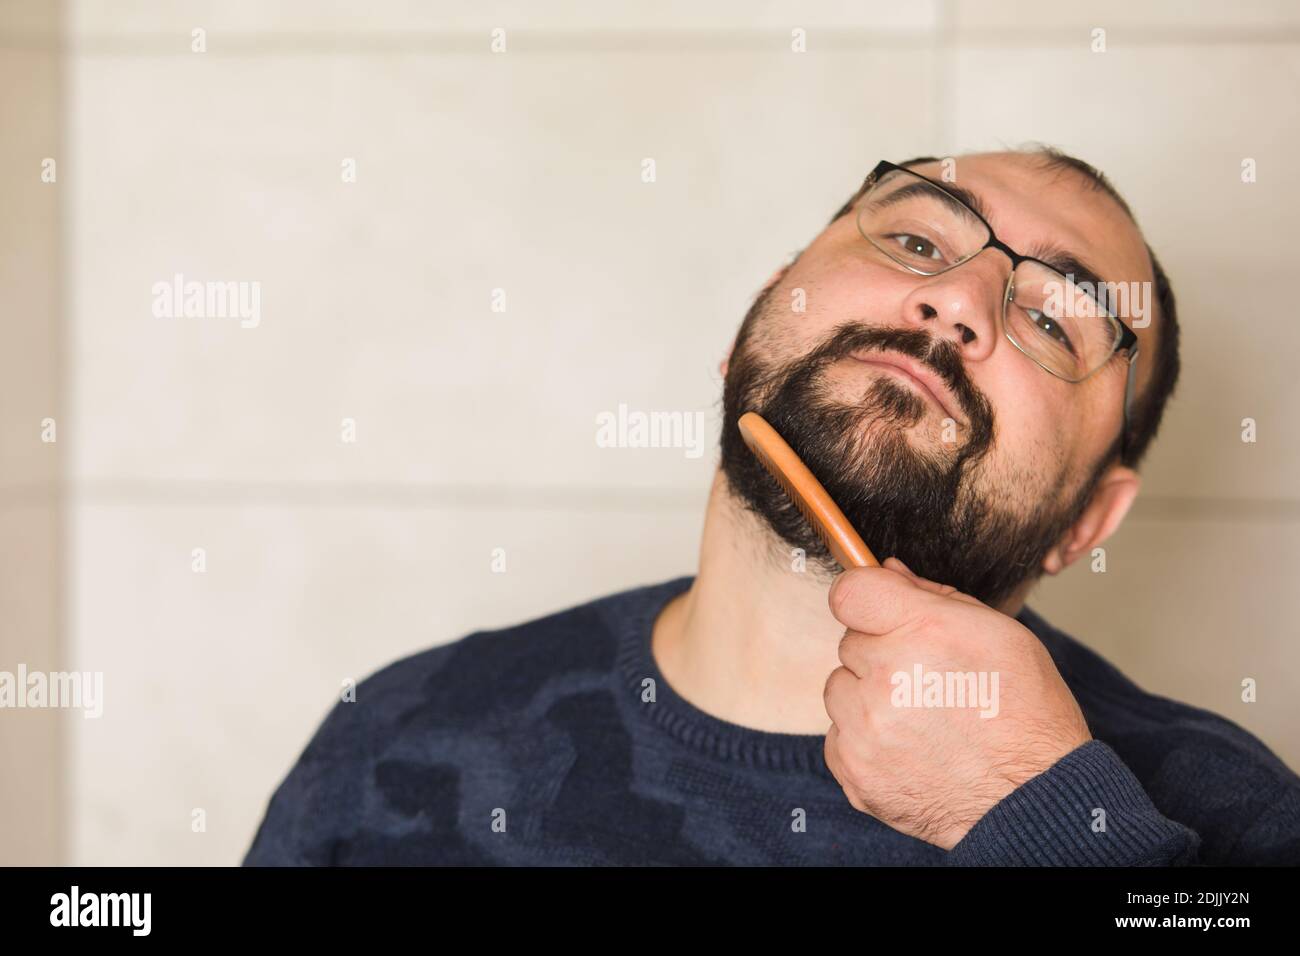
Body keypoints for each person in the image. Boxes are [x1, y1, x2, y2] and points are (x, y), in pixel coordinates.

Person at [244, 148, 1300, 865]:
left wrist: (1035, 814)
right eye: (918, 244)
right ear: (758, 320)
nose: (957, 301)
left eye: (1058, 317)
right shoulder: (400, 732)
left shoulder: (1227, 814)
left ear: (1088, 522)